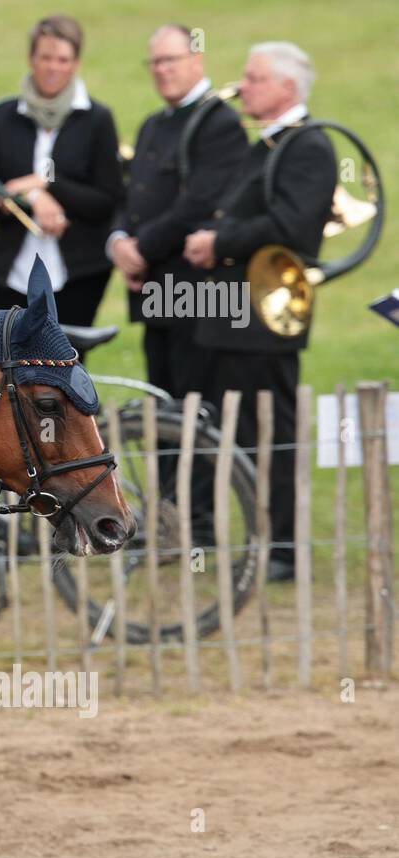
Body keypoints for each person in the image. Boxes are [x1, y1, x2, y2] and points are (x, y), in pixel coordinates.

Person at [182, 42, 335, 582]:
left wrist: (218, 239)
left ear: (287, 89)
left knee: (272, 436)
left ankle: (284, 551)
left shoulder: (309, 147)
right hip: (233, 316)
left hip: (265, 320)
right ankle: (258, 544)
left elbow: (293, 226)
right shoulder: (268, 145)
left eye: (256, 78)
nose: (243, 86)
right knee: (243, 436)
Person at [107, 24, 247, 399]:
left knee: (194, 410)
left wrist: (141, 249)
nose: (161, 69)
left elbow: (199, 204)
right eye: (154, 62)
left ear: (197, 60)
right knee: (162, 405)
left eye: (171, 60)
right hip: (157, 289)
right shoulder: (153, 125)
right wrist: (118, 241)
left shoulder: (221, 123)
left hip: (201, 293)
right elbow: (130, 194)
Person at [0, 14, 123, 328]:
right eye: (46, 58)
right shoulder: (4, 117)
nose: (54, 68)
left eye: (63, 59)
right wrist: (27, 197)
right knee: (1, 365)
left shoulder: (97, 119)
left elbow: (108, 200)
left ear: (76, 63)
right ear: (31, 59)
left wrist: (47, 186)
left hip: (78, 275)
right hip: (10, 274)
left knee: (63, 369)